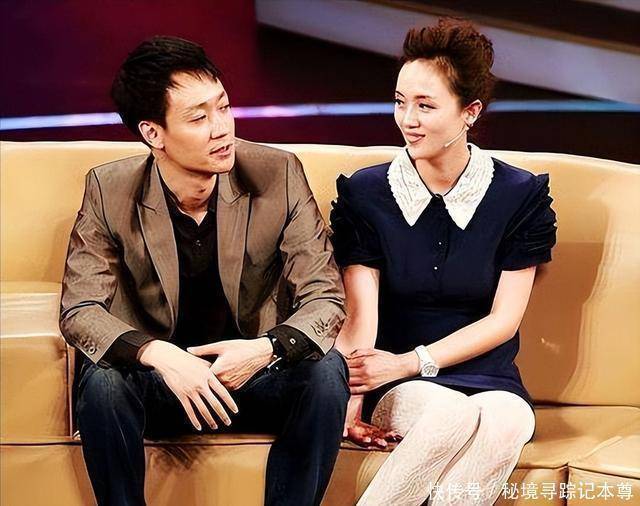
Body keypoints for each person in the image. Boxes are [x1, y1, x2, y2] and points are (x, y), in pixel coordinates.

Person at [60, 36, 349, 506]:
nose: (222, 129)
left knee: (326, 371)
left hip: (251, 377)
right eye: (198, 118)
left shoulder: (278, 174)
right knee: (103, 382)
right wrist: (160, 356)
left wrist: (264, 349)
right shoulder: (109, 190)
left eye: (224, 107)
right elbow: (80, 310)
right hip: (162, 384)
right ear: (153, 133)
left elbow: (325, 297)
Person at [330, 18, 557, 506]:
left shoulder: (519, 196)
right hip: (397, 379)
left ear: (469, 112)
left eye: (425, 105)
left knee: (509, 421)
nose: (407, 119)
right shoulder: (366, 194)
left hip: (486, 374)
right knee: (451, 415)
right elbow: (360, 317)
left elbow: (503, 321)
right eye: (400, 102)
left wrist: (415, 359)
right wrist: (352, 393)